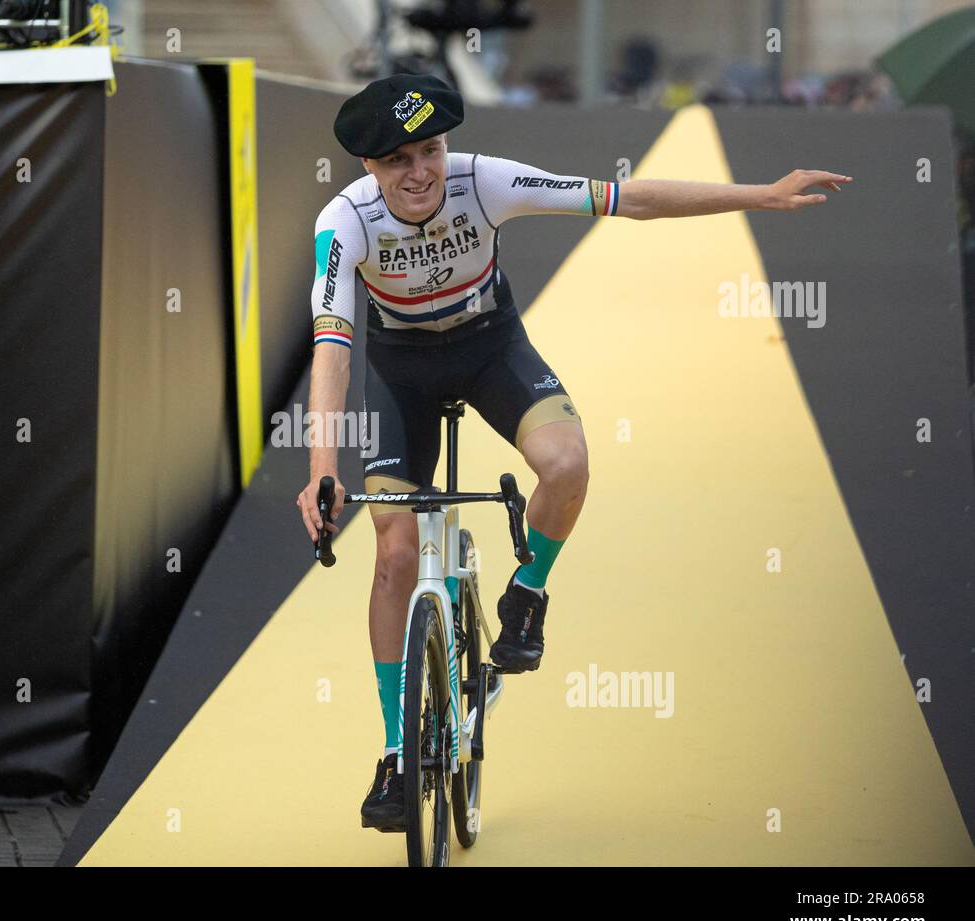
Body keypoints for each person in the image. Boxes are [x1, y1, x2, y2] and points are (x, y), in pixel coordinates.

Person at [293, 73, 850, 833]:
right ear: (368, 169)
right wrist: (322, 470)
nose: (419, 171)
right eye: (396, 162)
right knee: (393, 549)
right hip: (401, 373)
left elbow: (627, 199)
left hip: (491, 347)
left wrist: (759, 194)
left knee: (567, 464)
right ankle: (395, 750)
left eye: (429, 150)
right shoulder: (344, 222)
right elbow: (331, 348)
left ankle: (527, 593)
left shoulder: (483, 181)